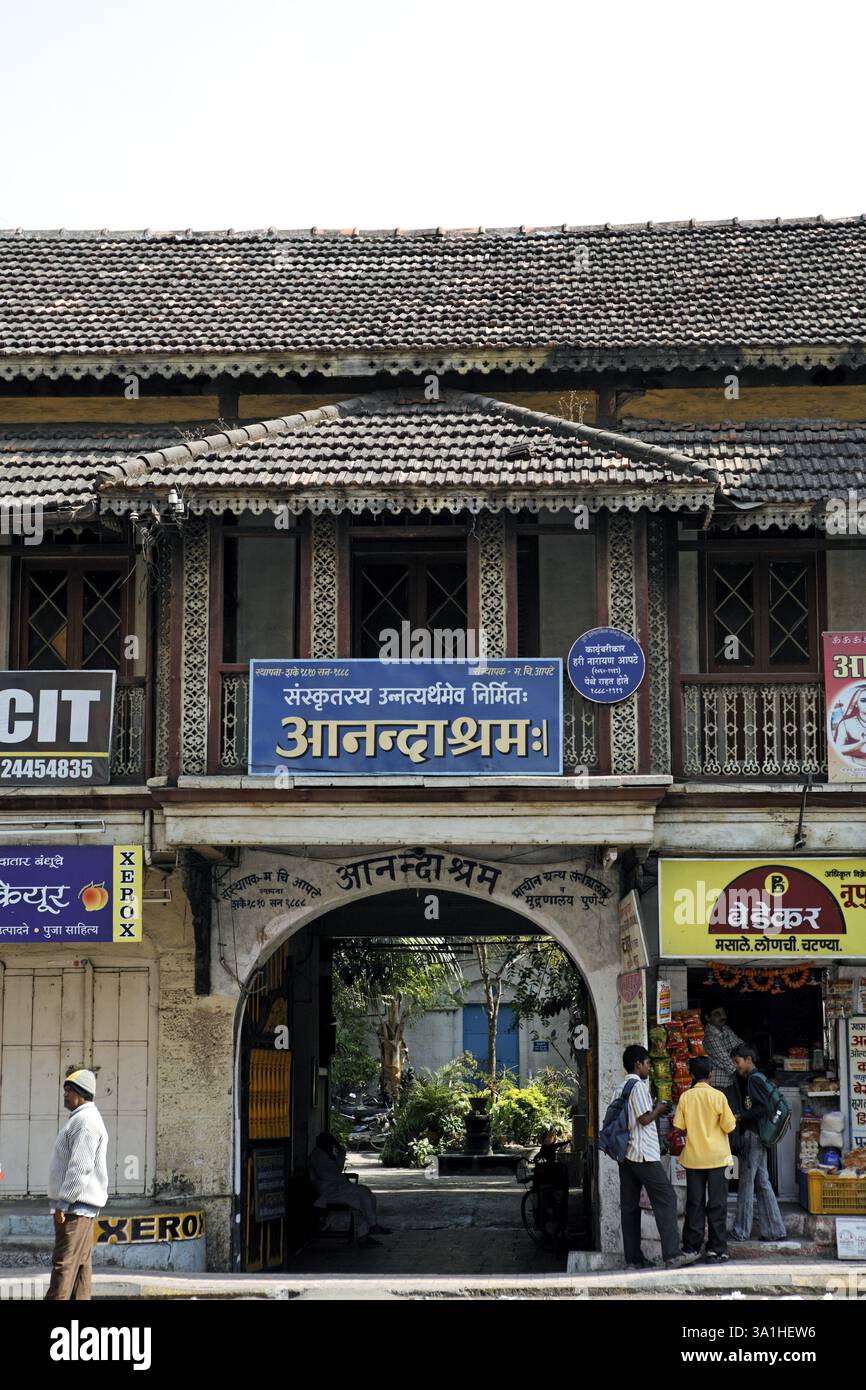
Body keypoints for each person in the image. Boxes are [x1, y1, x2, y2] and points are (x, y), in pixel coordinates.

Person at [614, 1044, 698, 1270]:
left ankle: (633, 1259)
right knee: (667, 1198)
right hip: (642, 1154)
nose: (649, 1067)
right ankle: (672, 1255)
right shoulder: (638, 1087)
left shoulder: (620, 1087)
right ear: (637, 1064)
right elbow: (644, 1119)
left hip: (625, 1155)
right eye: (647, 1063)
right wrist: (660, 1109)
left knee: (630, 1207)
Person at [45, 1068, 109, 1301]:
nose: (64, 1095)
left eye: (68, 1090)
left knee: (64, 1265)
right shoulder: (83, 1119)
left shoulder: (85, 1122)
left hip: (75, 1208)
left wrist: (63, 1203)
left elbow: (80, 1167)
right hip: (78, 1207)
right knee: (80, 1267)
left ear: (81, 1094)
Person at [673, 1056, 737, 1263]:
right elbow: (729, 1126)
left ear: (691, 1075)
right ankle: (717, 1249)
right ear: (711, 1075)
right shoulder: (719, 1097)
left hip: (694, 1159)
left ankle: (691, 1247)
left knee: (695, 1204)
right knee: (717, 1205)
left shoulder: (685, 1097)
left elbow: (679, 1127)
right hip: (719, 1159)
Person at [728, 1045, 787, 1243]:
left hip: (753, 1135)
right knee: (762, 1182)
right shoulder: (759, 1077)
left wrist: (739, 1117)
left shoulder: (753, 1080)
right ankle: (775, 1229)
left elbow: (761, 1108)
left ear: (748, 1060)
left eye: (737, 1062)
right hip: (760, 1136)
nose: (736, 1066)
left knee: (746, 1183)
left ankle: (741, 1230)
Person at [308, 1131, 390, 1246]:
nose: (331, 1146)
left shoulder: (326, 1155)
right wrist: (340, 1178)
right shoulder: (317, 1157)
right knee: (362, 1193)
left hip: (338, 1188)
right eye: (329, 1143)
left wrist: (338, 1149)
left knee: (368, 1197)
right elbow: (327, 1176)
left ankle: (365, 1234)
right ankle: (372, 1226)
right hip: (328, 1192)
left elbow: (338, 1168)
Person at [703, 1007, 744, 1097]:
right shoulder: (709, 1036)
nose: (722, 1017)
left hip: (729, 1081)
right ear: (707, 1018)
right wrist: (746, 1069)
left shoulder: (725, 1029)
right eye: (717, 1014)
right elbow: (727, 1062)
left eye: (723, 1013)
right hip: (717, 1085)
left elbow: (740, 1046)